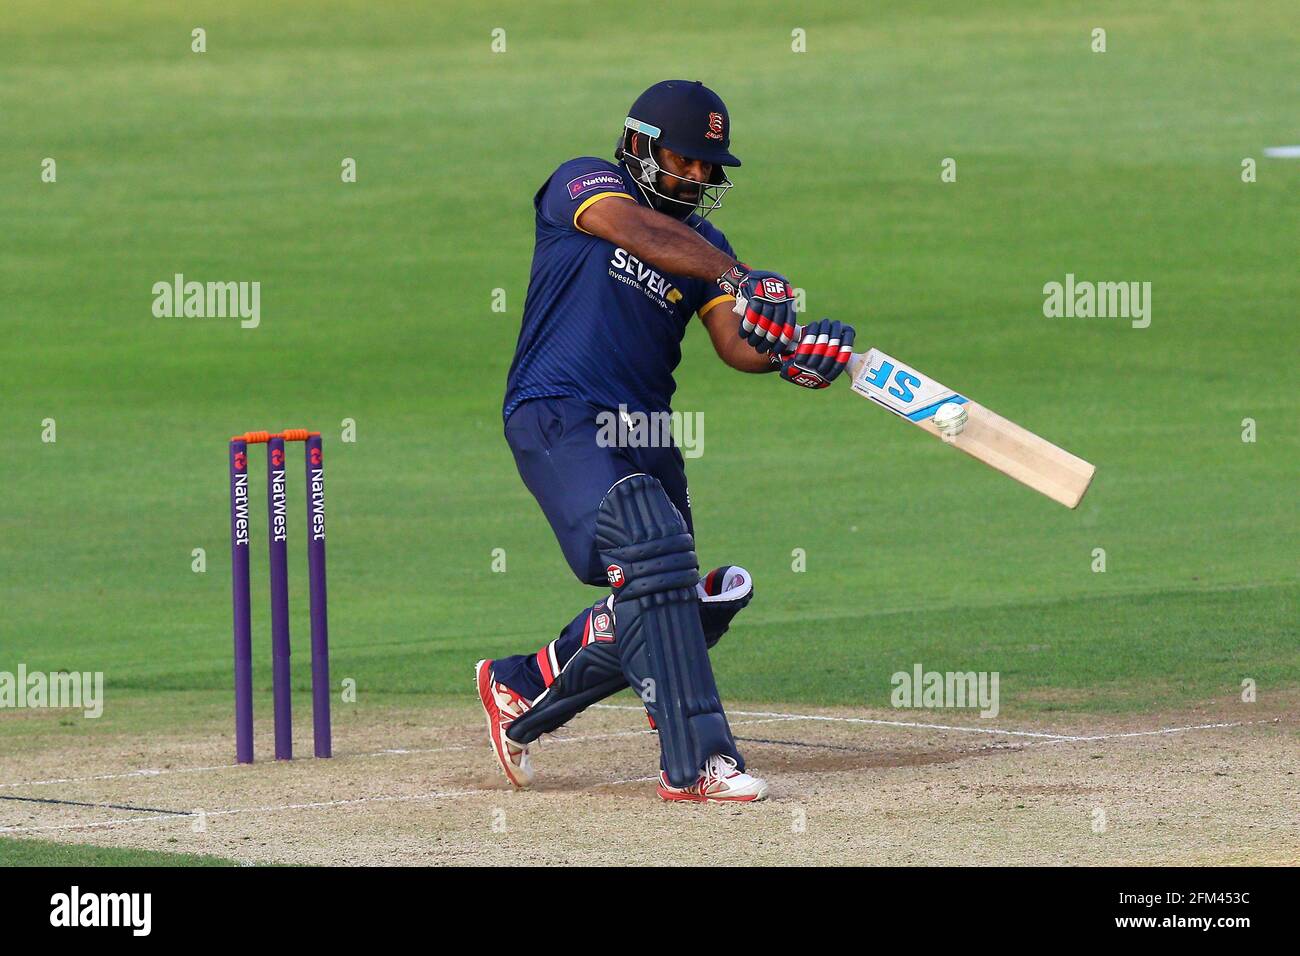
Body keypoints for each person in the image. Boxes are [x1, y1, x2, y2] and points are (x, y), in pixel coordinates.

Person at [477, 80, 856, 803]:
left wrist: (787, 354)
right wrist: (740, 275)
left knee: (677, 603)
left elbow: (732, 342)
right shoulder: (583, 184)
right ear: (641, 145)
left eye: (709, 168)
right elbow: (635, 230)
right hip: (557, 410)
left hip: (645, 431)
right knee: (650, 556)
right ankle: (700, 765)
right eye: (687, 161)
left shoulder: (706, 244)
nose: (700, 178)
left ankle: (519, 686)